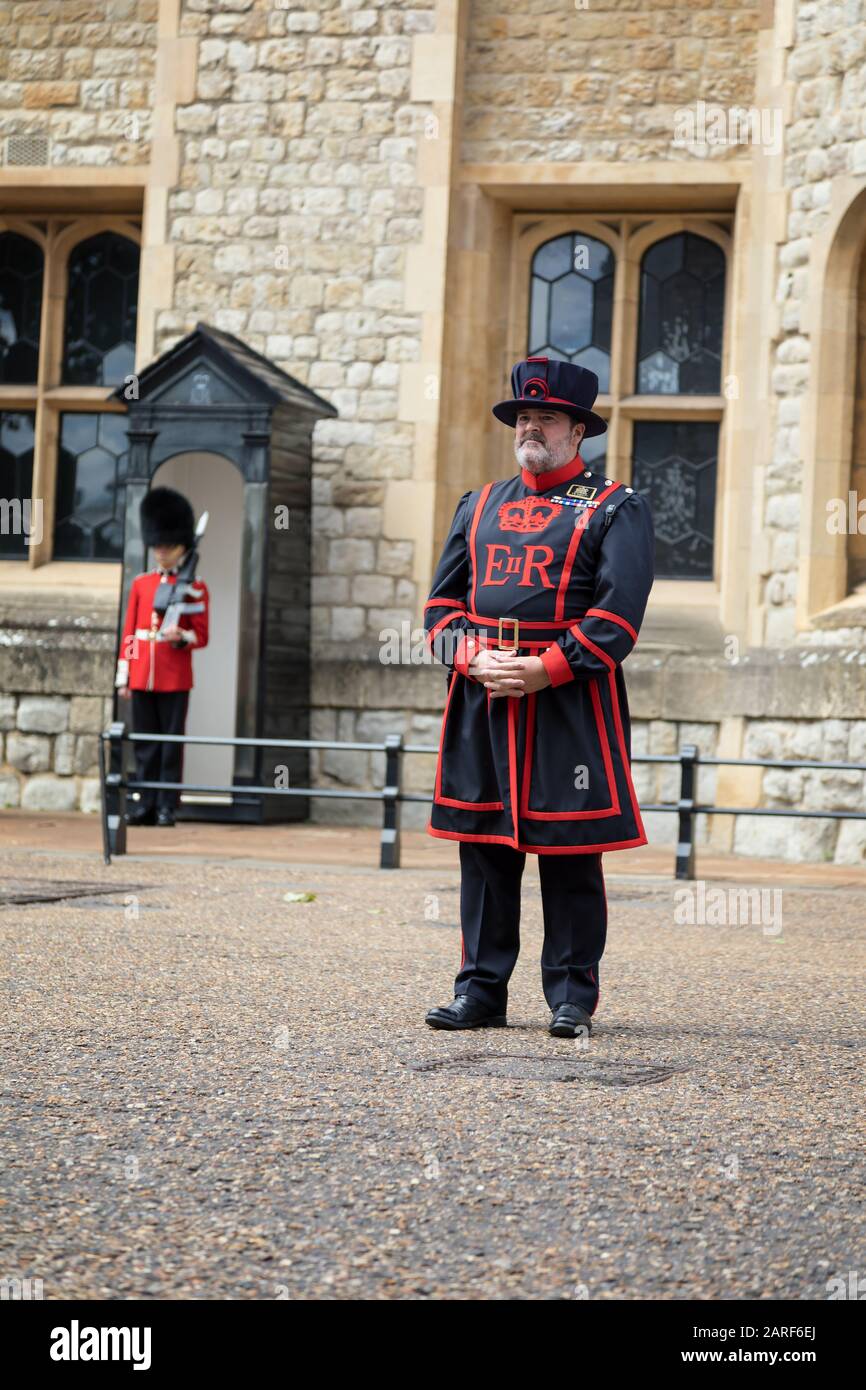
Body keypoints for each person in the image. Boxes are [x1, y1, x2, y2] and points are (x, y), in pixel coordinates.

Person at [423, 356, 655, 1038]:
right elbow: (440, 608)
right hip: (485, 697)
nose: (529, 427)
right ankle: (480, 991)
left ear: (576, 430)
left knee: (571, 855)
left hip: (568, 703)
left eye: (545, 417)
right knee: (484, 851)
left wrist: (546, 668)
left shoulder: (617, 507)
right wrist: (471, 656)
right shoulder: (479, 503)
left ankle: (572, 999)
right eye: (522, 416)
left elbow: (618, 619)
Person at [115, 487, 209, 828]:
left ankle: (168, 804)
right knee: (145, 745)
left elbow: (202, 635)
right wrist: (124, 676)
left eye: (168, 546)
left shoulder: (195, 586)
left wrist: (180, 637)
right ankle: (145, 803)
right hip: (142, 674)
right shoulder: (141, 583)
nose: (162, 552)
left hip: (174, 675)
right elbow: (130, 633)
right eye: (158, 546)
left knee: (170, 746)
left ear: (182, 546)